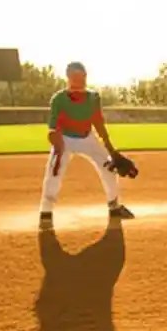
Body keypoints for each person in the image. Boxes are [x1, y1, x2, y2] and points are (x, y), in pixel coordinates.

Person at [38, 62, 135, 226]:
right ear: (68, 78)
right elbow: (52, 129)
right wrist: (57, 147)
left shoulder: (93, 98)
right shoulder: (59, 99)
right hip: (65, 139)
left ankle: (114, 207)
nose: (80, 80)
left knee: (109, 168)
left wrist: (112, 152)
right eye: (76, 76)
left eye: (82, 76)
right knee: (54, 171)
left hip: (87, 138)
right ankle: (46, 212)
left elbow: (98, 124)